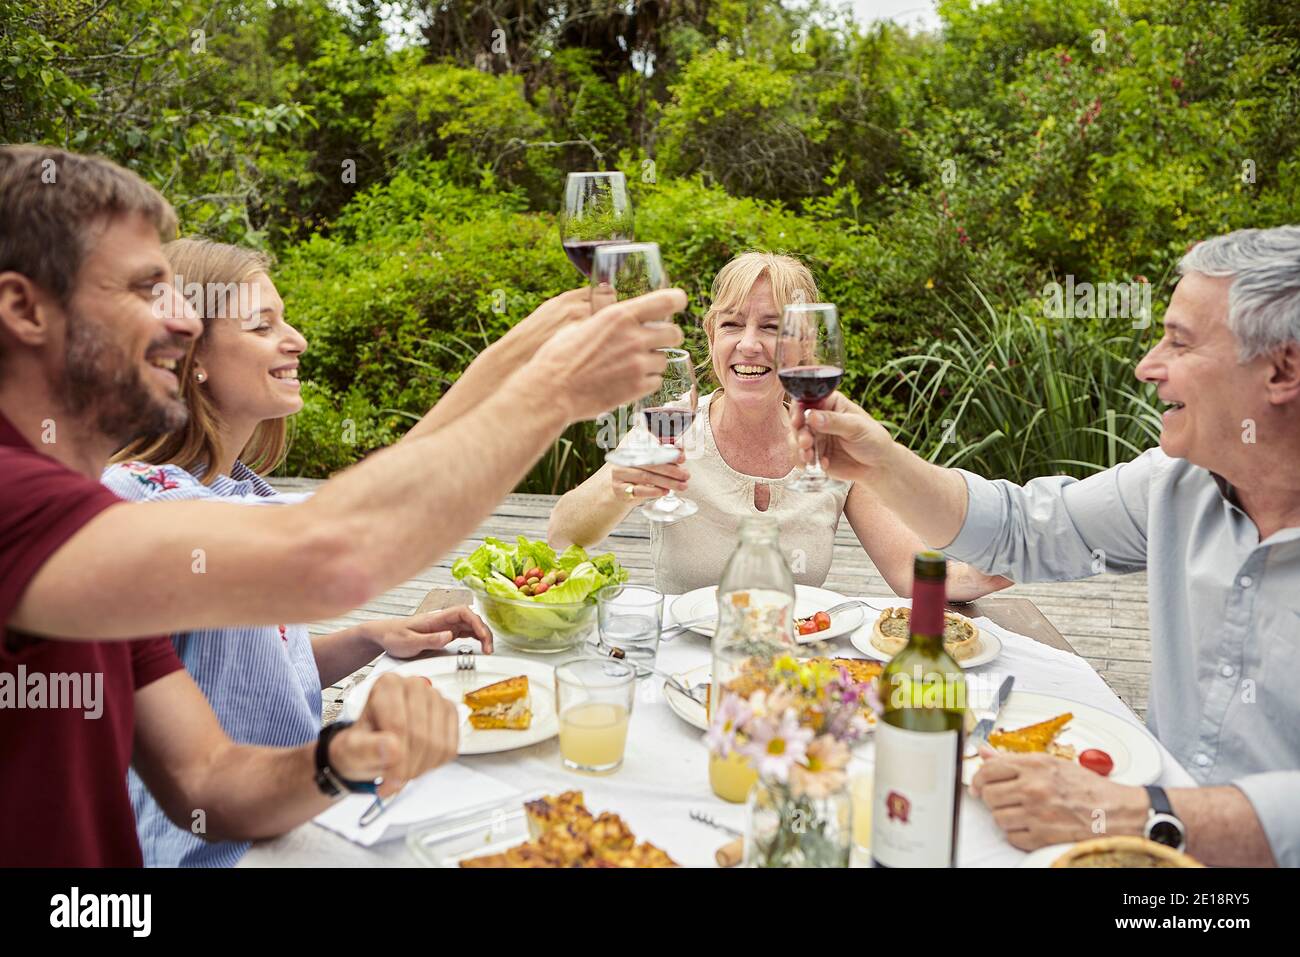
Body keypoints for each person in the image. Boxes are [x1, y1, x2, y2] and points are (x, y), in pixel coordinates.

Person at [0, 144, 686, 865]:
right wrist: (555, 393)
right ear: (23, 309)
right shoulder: (32, 506)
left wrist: (345, 753)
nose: (183, 321)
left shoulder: (94, 532)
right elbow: (335, 547)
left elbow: (209, 778)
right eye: (145, 288)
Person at [789, 225, 1300, 867]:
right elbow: (1024, 530)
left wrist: (1149, 813)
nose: (1148, 367)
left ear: (1281, 370)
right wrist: (879, 464)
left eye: (1180, 341)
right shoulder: (1176, 486)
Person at [99, 238, 497, 866]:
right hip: (208, 854)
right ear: (188, 356)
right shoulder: (139, 499)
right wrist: (529, 367)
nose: (297, 340)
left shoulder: (239, 488)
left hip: (288, 818)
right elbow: (362, 524)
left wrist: (370, 637)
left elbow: (243, 675)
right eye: (262, 326)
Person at [548, 251, 1010, 599]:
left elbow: (911, 573)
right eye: (732, 324)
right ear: (711, 338)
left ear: (804, 345)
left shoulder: (831, 441)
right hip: (685, 665)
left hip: (794, 666)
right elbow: (563, 533)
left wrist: (989, 570)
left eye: (772, 327)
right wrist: (619, 486)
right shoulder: (672, 424)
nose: (749, 345)